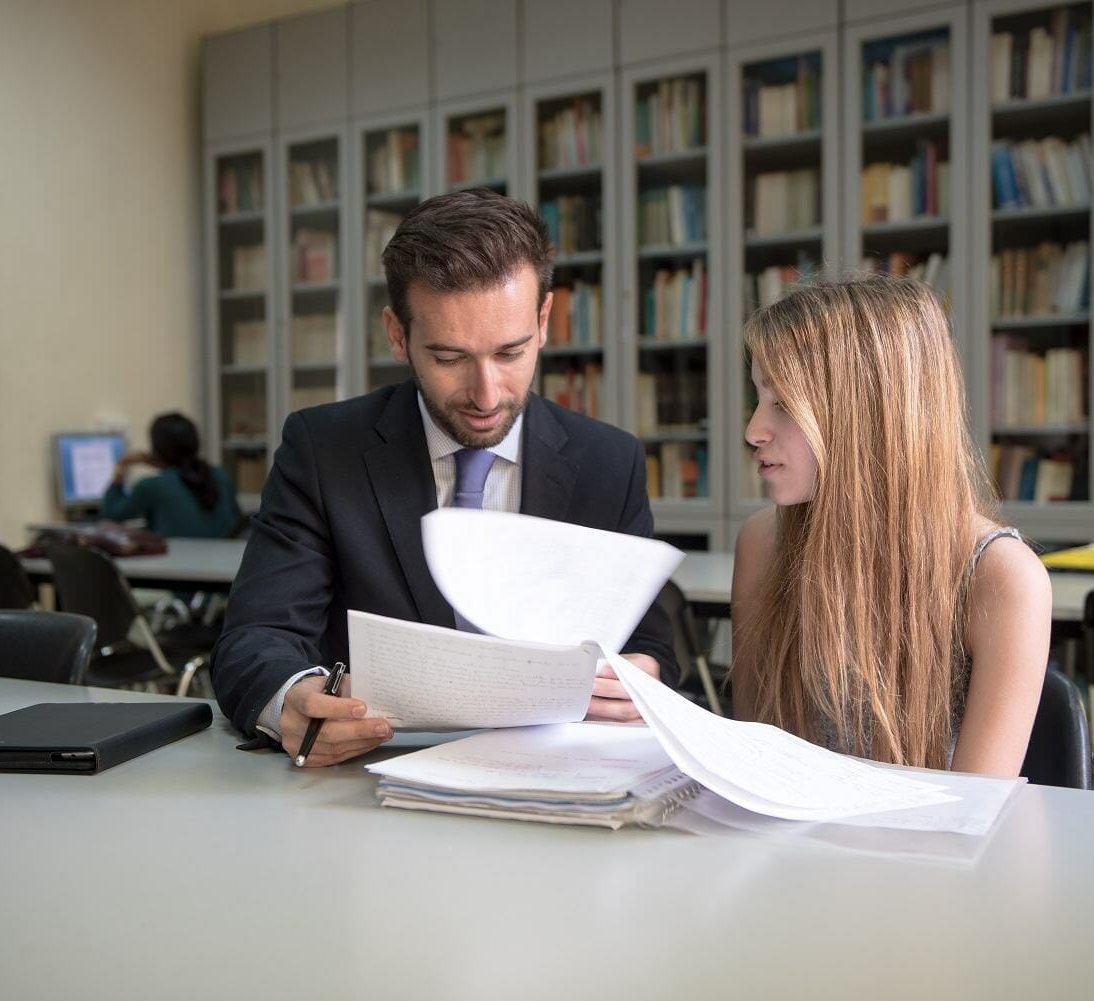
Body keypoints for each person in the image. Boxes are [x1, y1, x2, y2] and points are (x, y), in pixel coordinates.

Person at [212, 188, 675, 766]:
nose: (487, 394)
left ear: (544, 319)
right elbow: (256, 637)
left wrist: (641, 675)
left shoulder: (610, 461)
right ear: (398, 334)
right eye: (450, 357)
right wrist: (292, 700)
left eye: (511, 353)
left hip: (557, 779)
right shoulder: (323, 450)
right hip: (376, 781)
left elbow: (649, 640)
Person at [731, 273, 1051, 776]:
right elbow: (755, 760)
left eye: (785, 405)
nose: (753, 431)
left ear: (869, 414)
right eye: (757, 399)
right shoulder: (762, 542)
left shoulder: (1003, 577)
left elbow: (972, 812)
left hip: (925, 851)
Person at [102, 413, 239, 539]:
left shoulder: (151, 486)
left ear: (156, 449)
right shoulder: (220, 475)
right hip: (225, 563)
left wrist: (121, 466)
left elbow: (111, 516)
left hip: (173, 564)